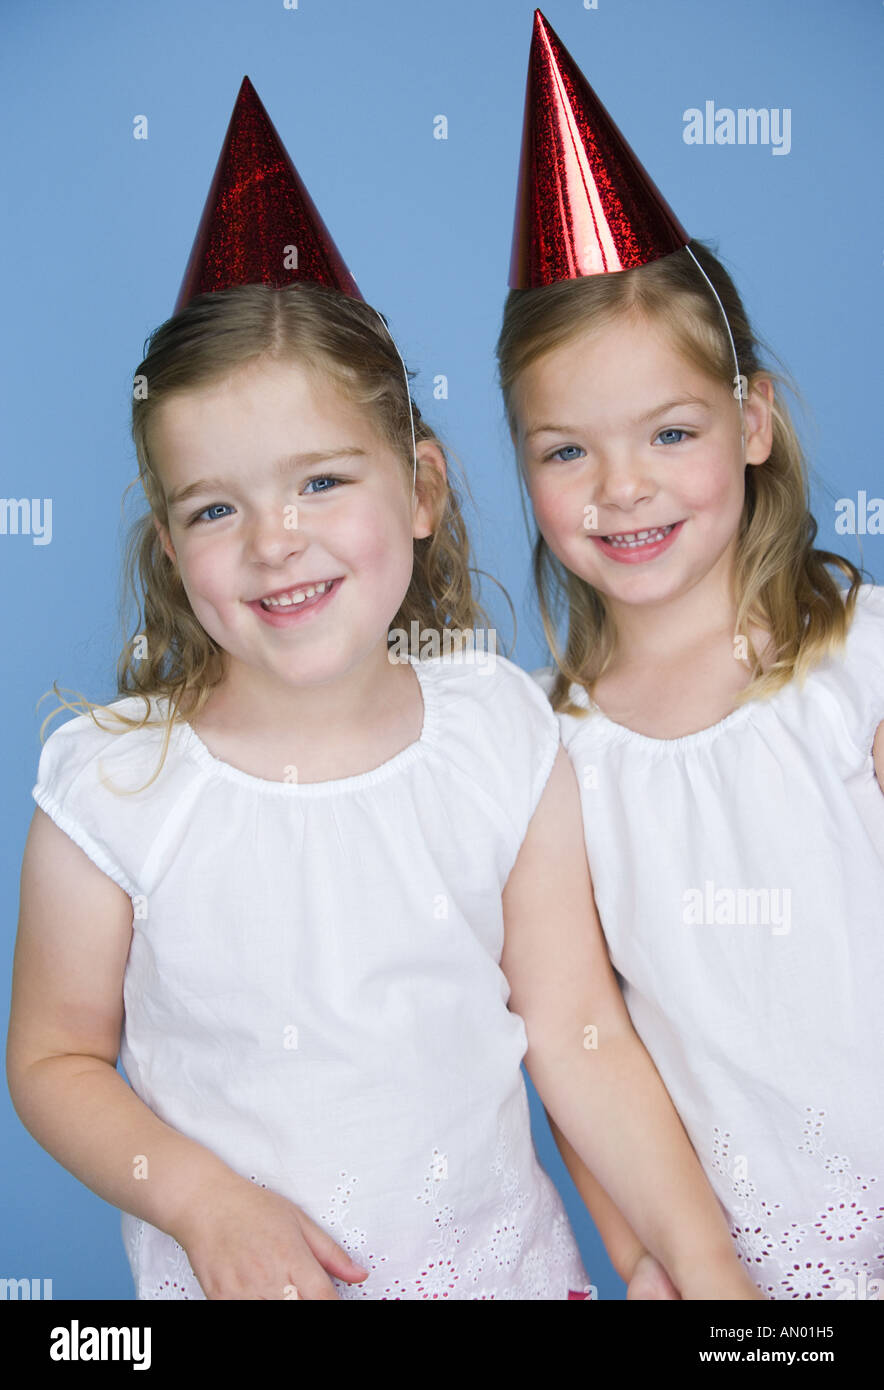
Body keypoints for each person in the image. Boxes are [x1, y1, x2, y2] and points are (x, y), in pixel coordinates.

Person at [6, 78, 760, 1301]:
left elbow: (576, 1032)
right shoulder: (113, 788)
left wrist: (700, 1258)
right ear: (168, 547)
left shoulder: (494, 732)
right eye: (215, 506)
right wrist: (203, 1200)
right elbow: (51, 1055)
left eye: (318, 483)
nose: (273, 539)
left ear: (418, 490)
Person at [496, 11, 884, 1300]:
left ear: (752, 421)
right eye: (566, 451)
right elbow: (573, 1031)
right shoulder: (548, 758)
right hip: (742, 1271)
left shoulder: (860, 665)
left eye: (668, 432)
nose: (619, 487)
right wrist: (635, 1250)